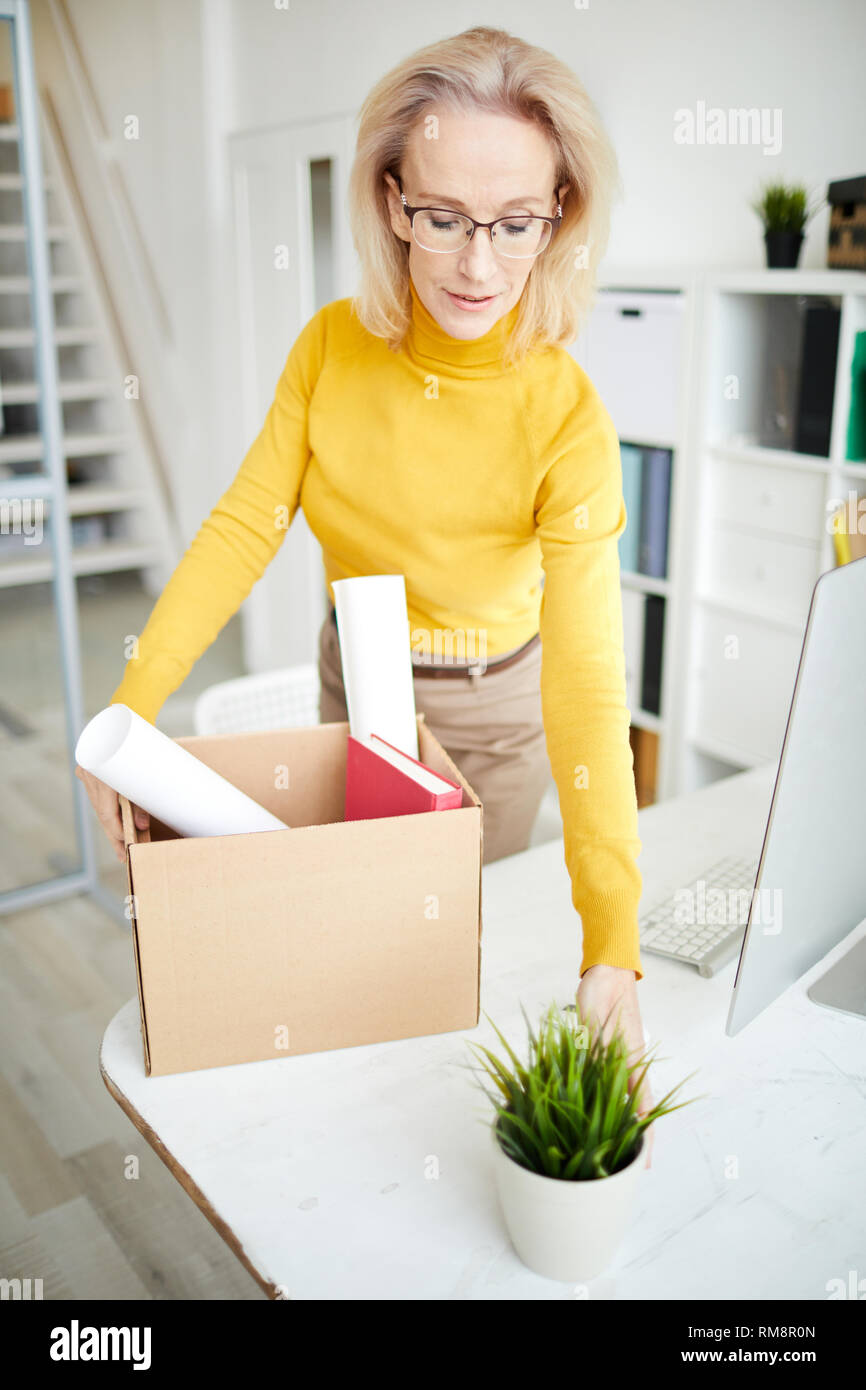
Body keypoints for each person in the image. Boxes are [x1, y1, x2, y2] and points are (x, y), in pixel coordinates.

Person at [77, 25, 653, 1153]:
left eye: (513, 224)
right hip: (362, 681)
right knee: (346, 955)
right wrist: (132, 705)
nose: (475, 266)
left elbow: (586, 680)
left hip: (499, 711)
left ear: (559, 213)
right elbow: (244, 526)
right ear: (391, 201)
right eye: (441, 217)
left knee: (430, 975)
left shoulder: (567, 413)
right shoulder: (331, 349)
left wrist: (611, 945)